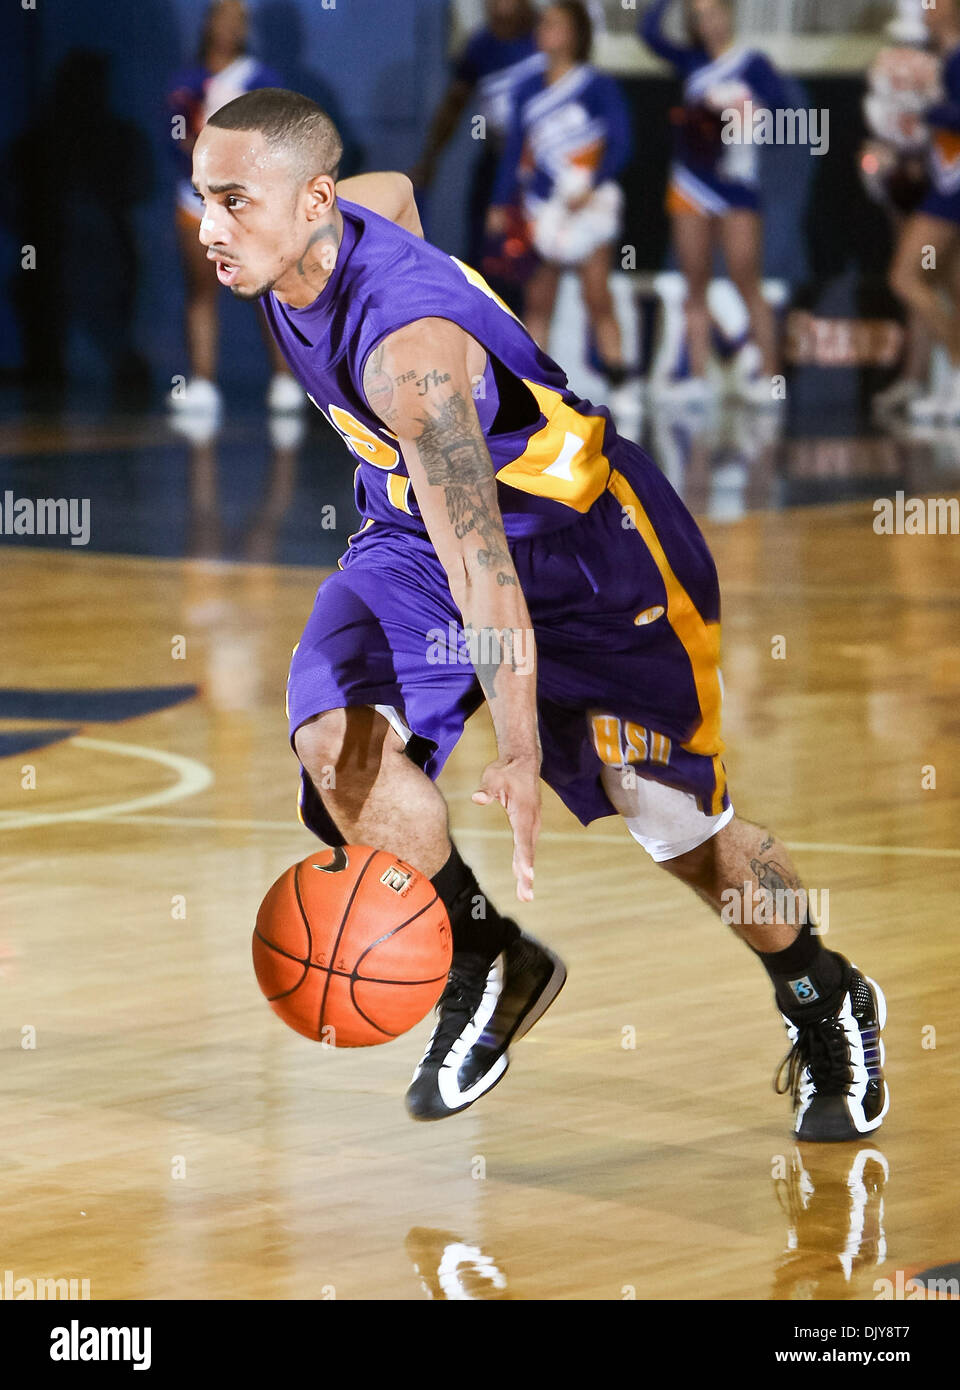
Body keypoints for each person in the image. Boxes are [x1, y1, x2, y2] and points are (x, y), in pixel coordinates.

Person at [191, 87, 888, 1141]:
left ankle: (822, 989)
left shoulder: (411, 362)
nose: (208, 227)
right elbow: (402, 190)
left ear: (308, 200)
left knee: (678, 826)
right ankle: (489, 962)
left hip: (584, 556)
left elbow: (491, 575)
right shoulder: (310, 231)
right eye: (203, 197)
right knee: (340, 747)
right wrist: (266, 211)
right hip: (414, 539)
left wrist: (517, 747)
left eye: (234, 201)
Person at [639, 0, 790, 407]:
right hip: (691, 183)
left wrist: (743, 116)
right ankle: (698, 378)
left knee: (745, 276)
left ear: (730, 14)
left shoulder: (752, 62)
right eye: (699, 16)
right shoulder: (690, 60)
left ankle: (772, 377)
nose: (708, 23)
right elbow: (648, 34)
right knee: (695, 281)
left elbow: (780, 109)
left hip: (736, 182)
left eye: (714, 13)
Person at [486, 2, 634, 412]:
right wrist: (500, 203)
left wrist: (593, 184)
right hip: (541, 208)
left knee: (597, 297)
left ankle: (622, 387)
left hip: (585, 206)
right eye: (544, 23)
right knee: (537, 301)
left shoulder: (597, 85)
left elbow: (621, 142)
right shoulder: (527, 87)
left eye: (555, 24)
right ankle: (534, 393)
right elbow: (515, 149)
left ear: (575, 34)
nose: (544, 29)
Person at [166, 0, 303, 414]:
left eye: (238, 20)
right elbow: (174, 138)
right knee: (201, 291)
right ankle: (204, 383)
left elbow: (280, 140)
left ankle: (285, 381)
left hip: (252, 205)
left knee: (269, 290)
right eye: (221, 17)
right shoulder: (187, 81)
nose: (228, 27)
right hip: (194, 202)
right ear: (208, 23)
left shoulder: (262, 79)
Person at [411, 0, 544, 275]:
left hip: (547, 171)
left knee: (536, 268)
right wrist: (429, 160)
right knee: (484, 259)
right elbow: (454, 105)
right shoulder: (480, 47)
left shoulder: (549, 39)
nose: (498, 7)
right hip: (495, 164)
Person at [860, 43, 939, 418]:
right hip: (918, 184)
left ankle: (948, 372)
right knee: (917, 280)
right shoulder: (889, 62)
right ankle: (917, 375)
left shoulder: (947, 59)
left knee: (917, 279)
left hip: (943, 181)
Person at [890, 0, 960, 423]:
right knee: (952, 287)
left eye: (933, 4)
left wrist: (925, 108)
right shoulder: (942, 59)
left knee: (905, 277)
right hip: (945, 182)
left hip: (952, 191)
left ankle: (956, 367)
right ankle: (951, 385)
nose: (925, 9)